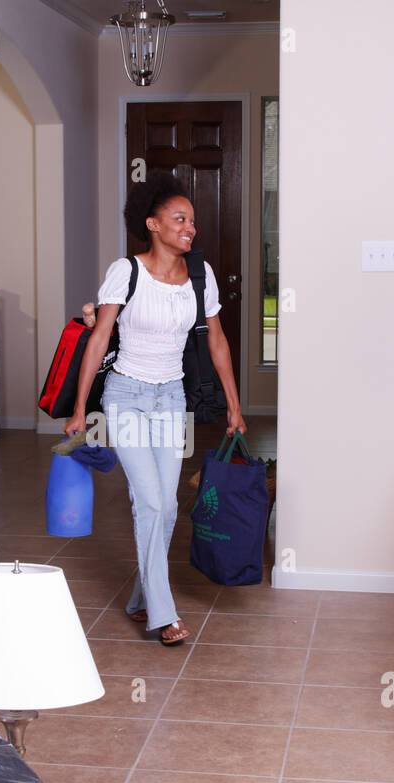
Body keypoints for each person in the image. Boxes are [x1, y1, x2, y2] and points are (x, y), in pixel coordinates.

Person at [64, 173, 246, 646]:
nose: (190, 228)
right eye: (179, 219)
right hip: (124, 396)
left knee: (167, 509)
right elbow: (99, 337)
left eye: (193, 221)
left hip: (174, 398)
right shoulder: (126, 271)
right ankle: (163, 615)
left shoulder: (199, 279)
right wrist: (82, 407)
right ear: (153, 223)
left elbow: (219, 342)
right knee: (149, 500)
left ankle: (143, 596)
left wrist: (234, 405)